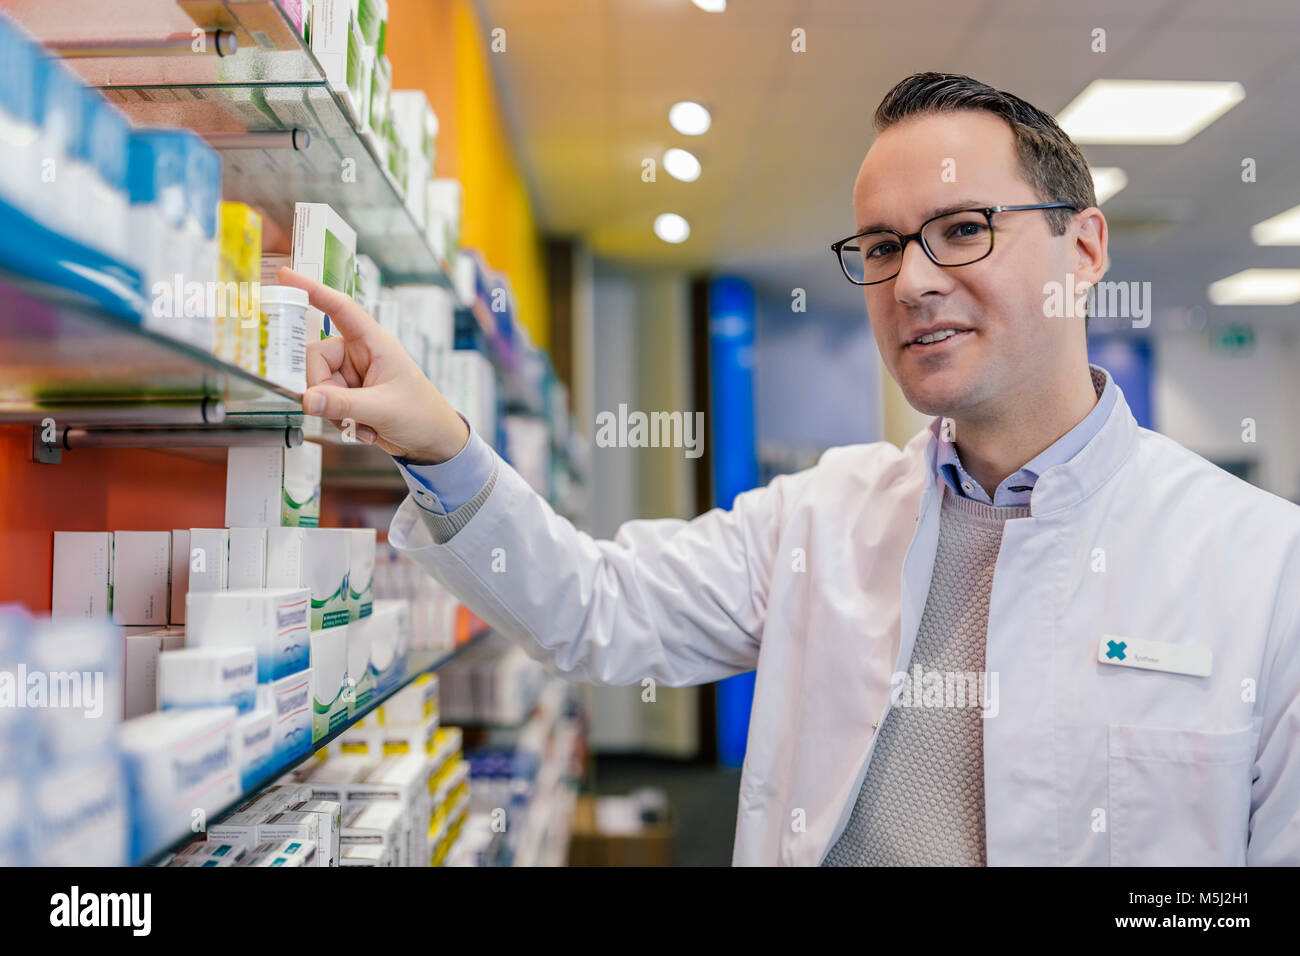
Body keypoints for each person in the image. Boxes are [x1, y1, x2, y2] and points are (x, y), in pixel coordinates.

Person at [278, 72, 1300, 867]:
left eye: (960, 230)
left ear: (1082, 248)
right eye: (882, 246)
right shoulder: (824, 517)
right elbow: (595, 606)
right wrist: (439, 445)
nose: (914, 281)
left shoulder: (1261, 565)